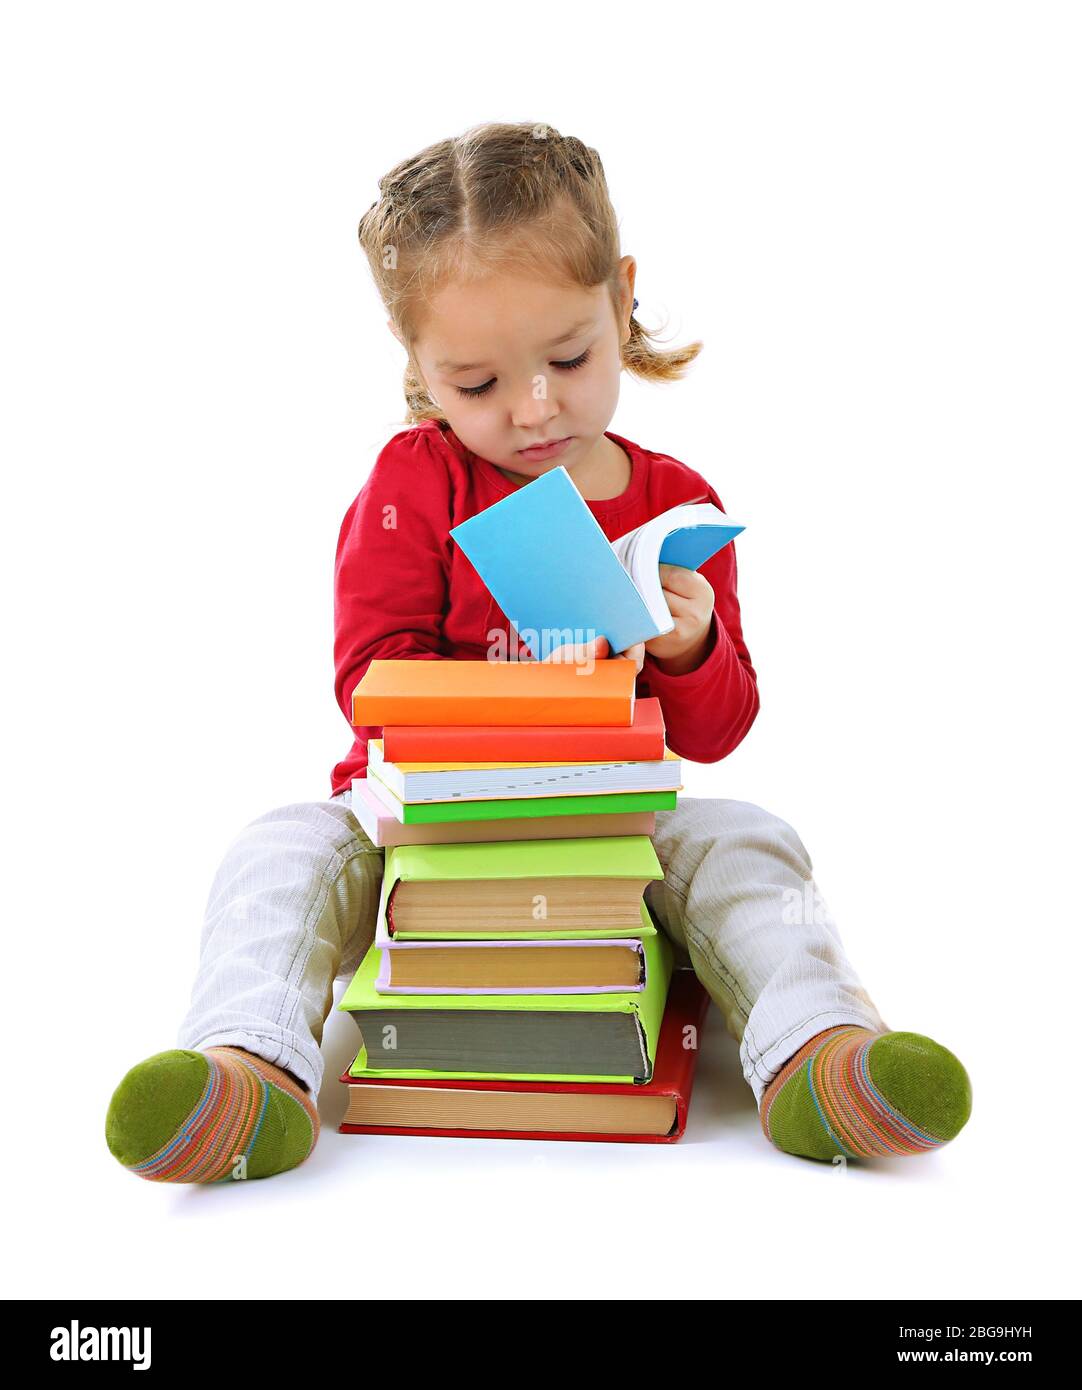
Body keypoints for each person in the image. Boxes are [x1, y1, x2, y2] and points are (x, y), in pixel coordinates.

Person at [105, 121, 971, 1183]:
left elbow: (721, 728)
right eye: (475, 384)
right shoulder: (413, 483)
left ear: (621, 298)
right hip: (420, 823)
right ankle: (247, 1063)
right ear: (419, 368)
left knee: (749, 840)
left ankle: (817, 1054)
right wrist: (517, 698)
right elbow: (366, 683)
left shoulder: (673, 502)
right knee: (277, 849)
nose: (534, 407)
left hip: (611, 824)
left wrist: (689, 642)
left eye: (569, 357)